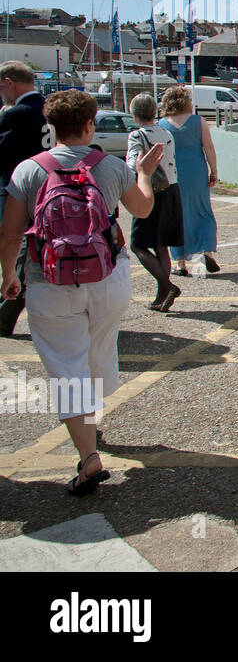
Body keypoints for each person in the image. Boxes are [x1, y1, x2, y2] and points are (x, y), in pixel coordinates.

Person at [1, 90, 165, 494]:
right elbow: (142, 209)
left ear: (51, 127)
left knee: (66, 367)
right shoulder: (108, 166)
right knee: (98, 352)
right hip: (109, 279)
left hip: (50, 282)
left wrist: (8, 273)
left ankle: (89, 456)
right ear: (90, 124)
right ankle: (92, 426)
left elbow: (9, 232)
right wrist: (143, 173)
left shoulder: (29, 170)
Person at [0, 61, 51, 336]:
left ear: (9, 82)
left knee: (16, 248)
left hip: (19, 190)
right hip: (50, 191)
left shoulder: (16, 113)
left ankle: (6, 311)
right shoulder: (48, 108)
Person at [126, 94, 184, 312]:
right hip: (172, 188)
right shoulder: (166, 132)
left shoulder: (136, 135)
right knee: (161, 244)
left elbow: (135, 164)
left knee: (138, 244)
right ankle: (162, 294)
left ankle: (168, 286)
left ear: (134, 113)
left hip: (151, 189)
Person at [160, 85, 220, 277]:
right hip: (196, 171)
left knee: (176, 216)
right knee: (202, 211)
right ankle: (206, 251)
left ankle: (180, 263)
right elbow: (208, 148)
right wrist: (214, 171)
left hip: (172, 174)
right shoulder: (198, 121)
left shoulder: (161, 125)